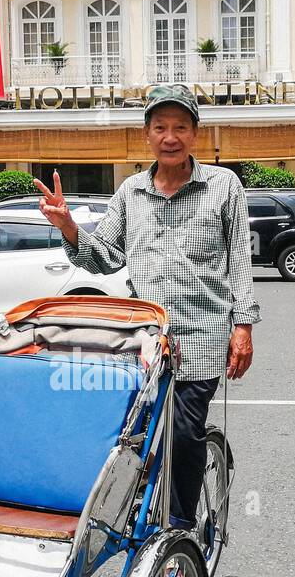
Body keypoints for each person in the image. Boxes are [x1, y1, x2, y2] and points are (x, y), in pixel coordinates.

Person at [34, 84, 260, 533]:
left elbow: (239, 259)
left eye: (180, 127)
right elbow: (103, 256)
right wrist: (68, 226)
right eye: (161, 127)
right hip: (144, 339)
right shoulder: (131, 192)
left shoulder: (223, 186)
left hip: (202, 336)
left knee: (182, 430)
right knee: (126, 429)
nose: (170, 136)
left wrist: (243, 326)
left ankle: (179, 534)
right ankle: (127, 508)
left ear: (195, 134)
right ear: (147, 134)